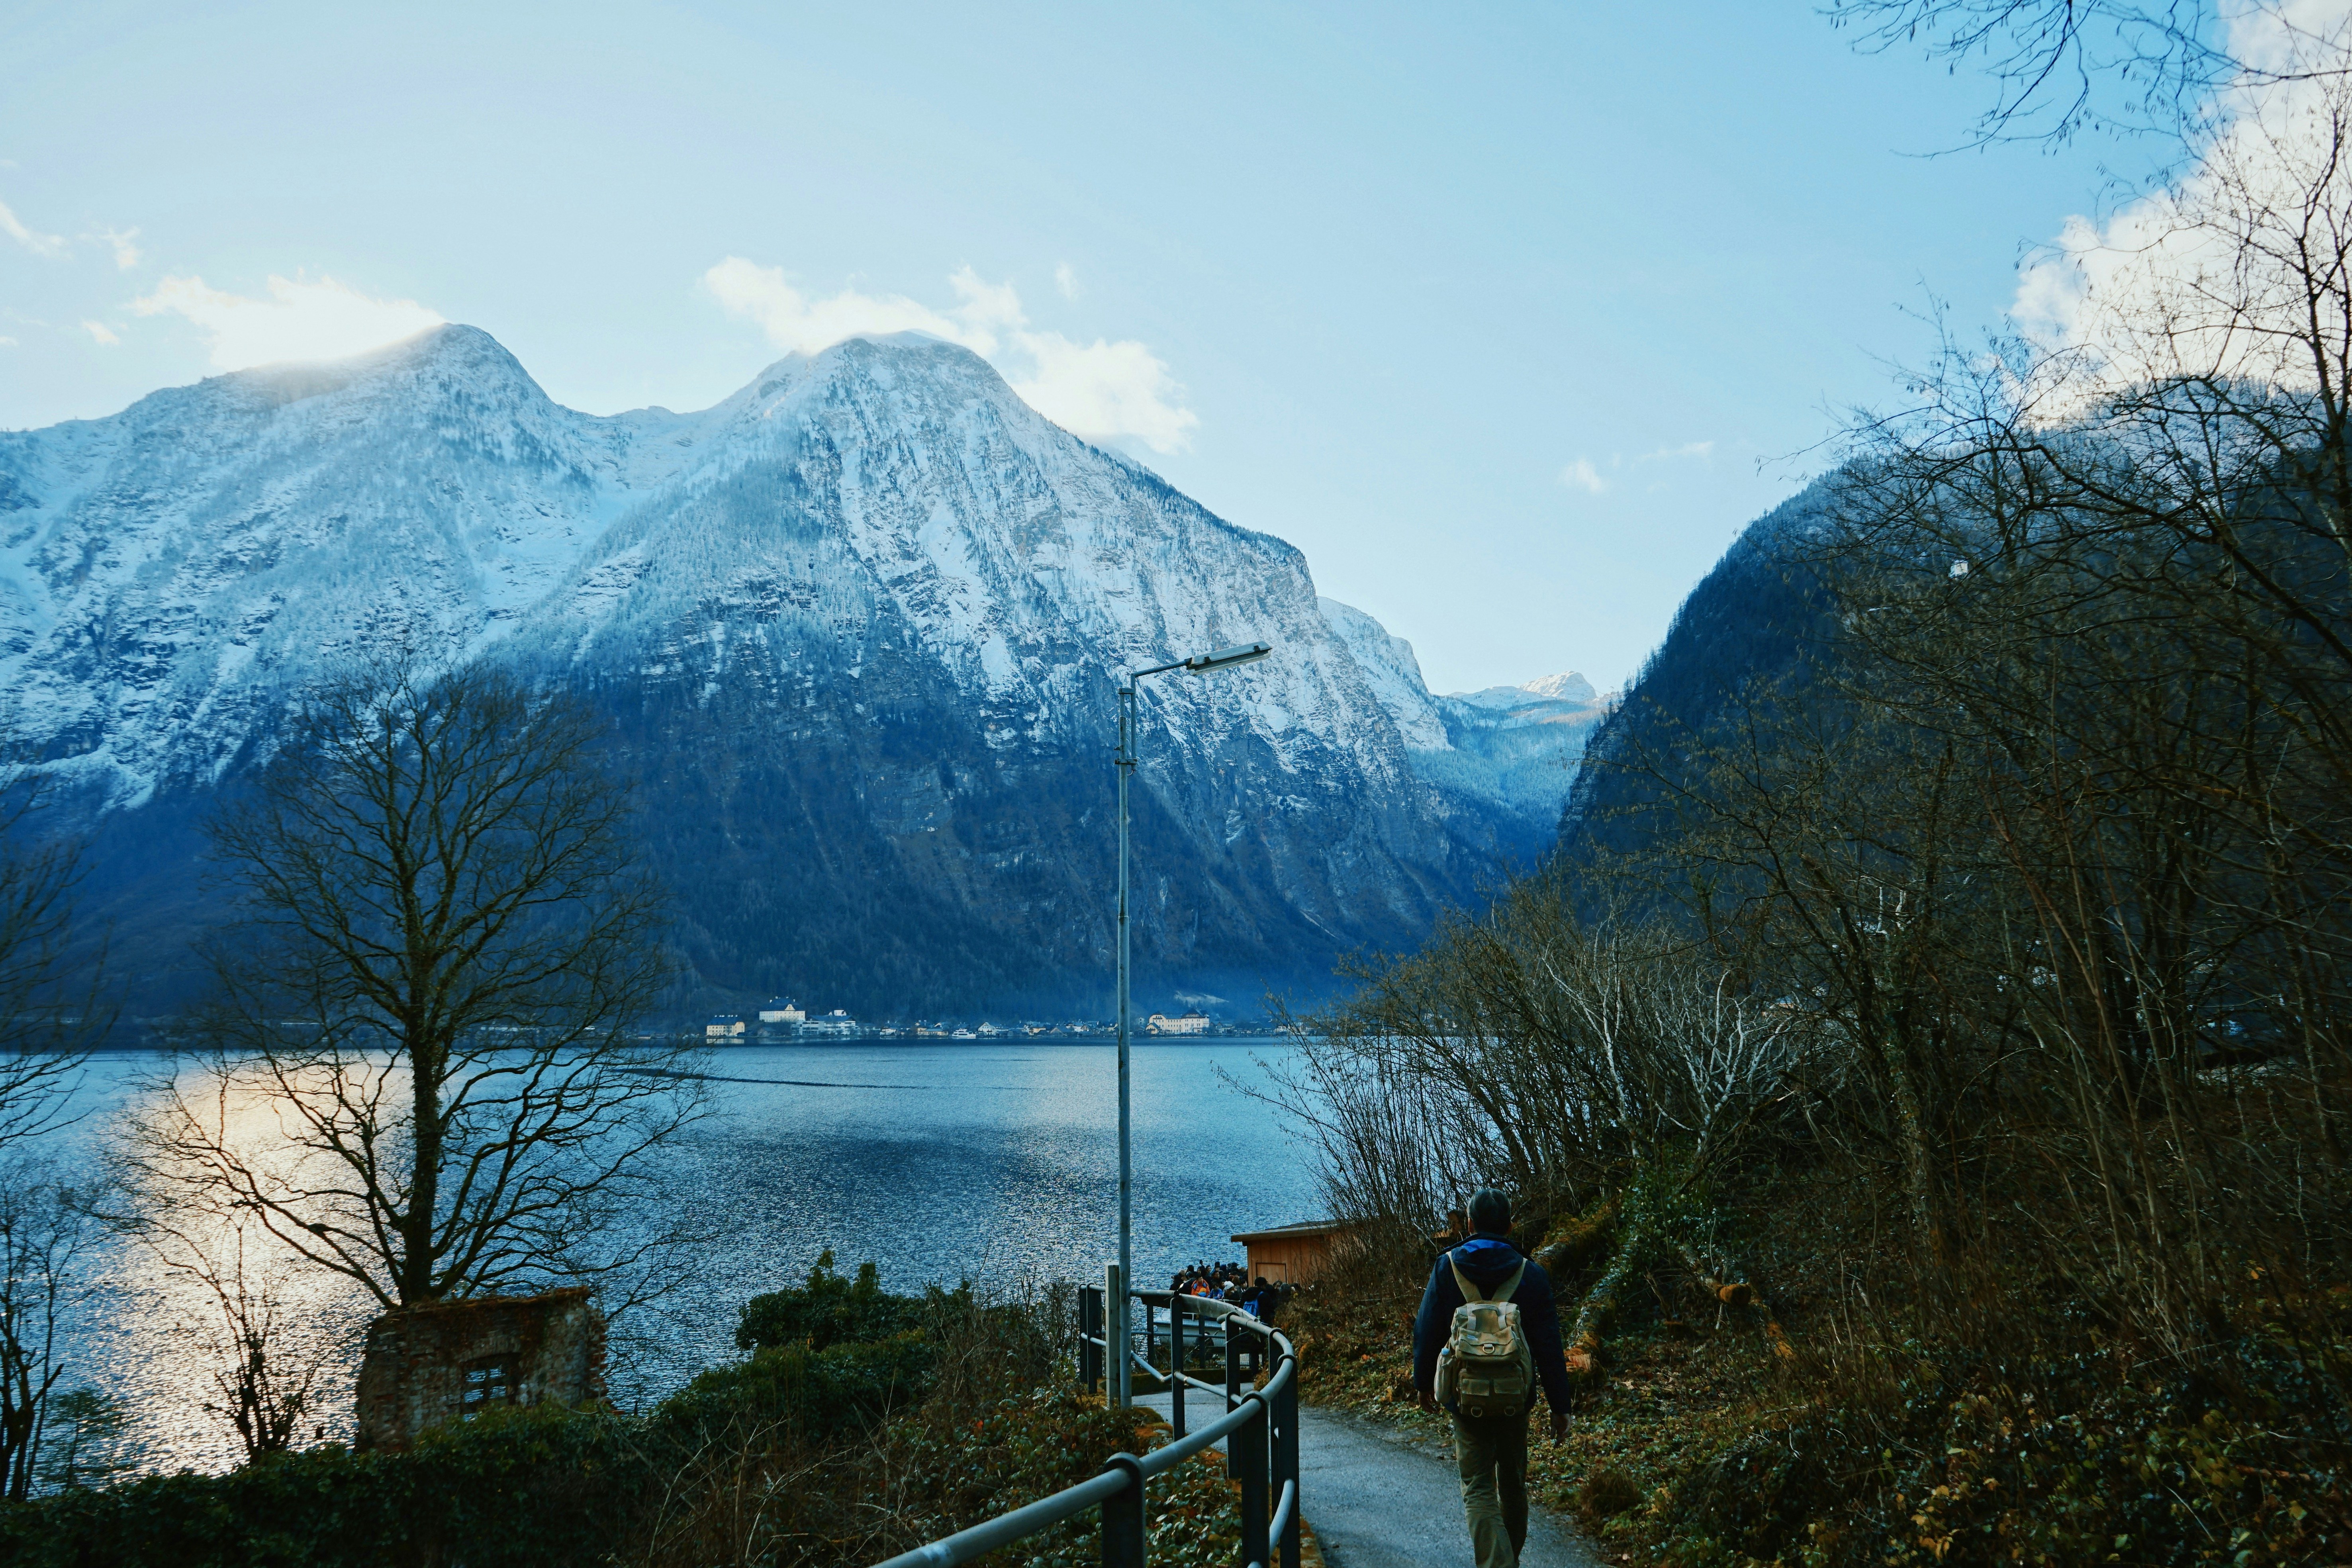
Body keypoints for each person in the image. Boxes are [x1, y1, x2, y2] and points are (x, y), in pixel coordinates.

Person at [1412, 1188, 1572, 1568]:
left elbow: (1427, 1329)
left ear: (1468, 1224)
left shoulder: (1446, 1266)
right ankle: (1506, 1561)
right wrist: (1560, 1406)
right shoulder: (1530, 1272)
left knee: (1478, 1487)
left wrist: (1423, 1383)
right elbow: (1549, 1344)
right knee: (1513, 1485)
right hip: (1516, 1398)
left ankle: (1497, 1564)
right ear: (1510, 1225)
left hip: (1465, 1398)